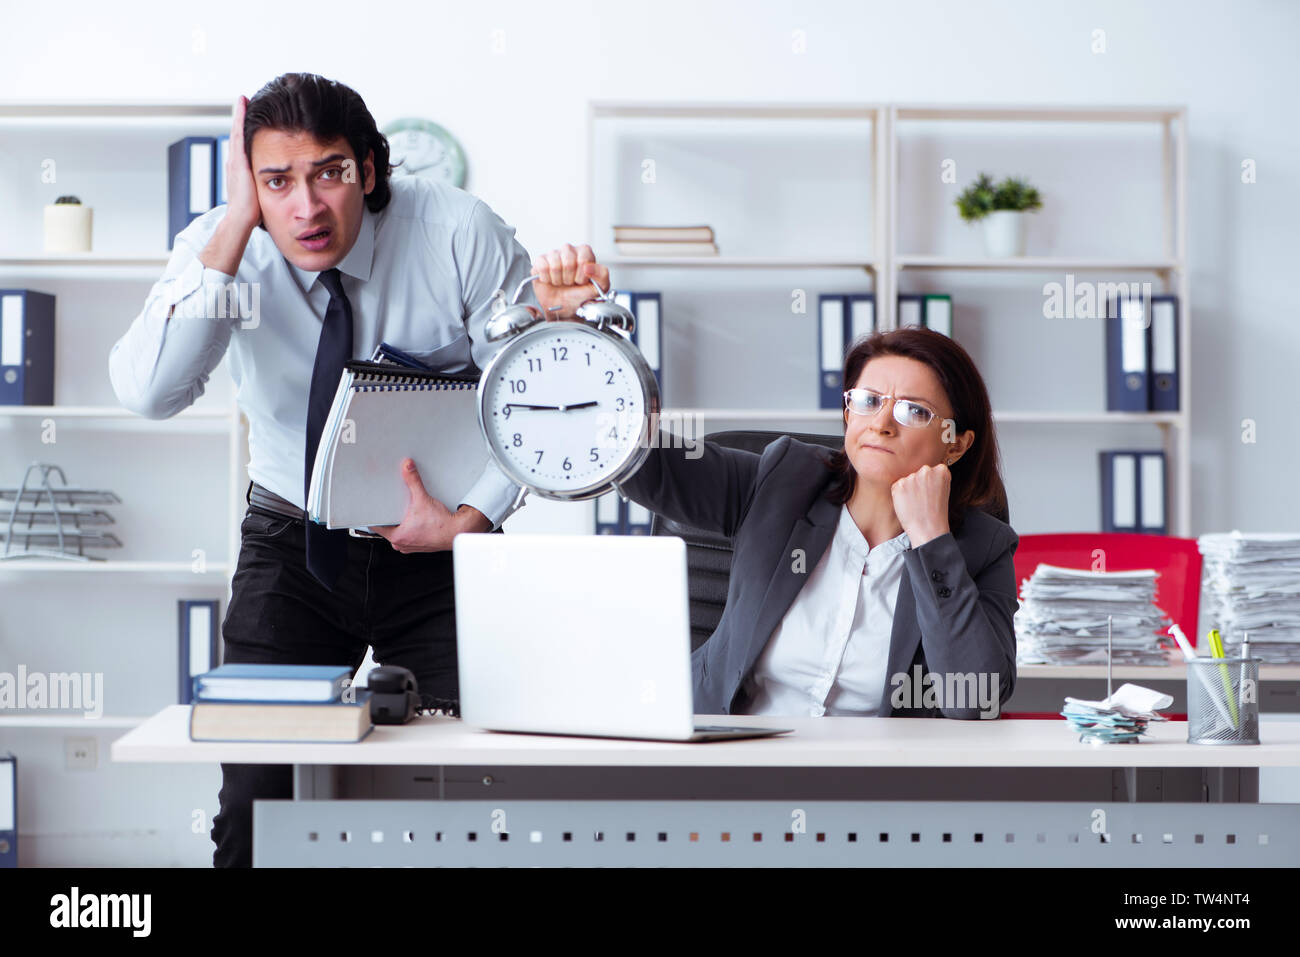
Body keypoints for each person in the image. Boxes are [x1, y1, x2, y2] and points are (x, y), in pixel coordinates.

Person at [108, 73, 607, 867]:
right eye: (277, 181)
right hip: (292, 548)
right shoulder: (224, 244)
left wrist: (471, 517)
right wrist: (238, 224)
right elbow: (148, 391)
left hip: (445, 548)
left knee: (481, 793)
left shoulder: (455, 232)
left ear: (369, 171)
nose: (306, 206)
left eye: (328, 173)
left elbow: (531, 395)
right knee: (253, 802)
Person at [618, 327, 1019, 718]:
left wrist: (932, 540)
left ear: (957, 443)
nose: (881, 423)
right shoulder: (781, 481)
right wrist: (580, 329)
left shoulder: (982, 547)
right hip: (727, 754)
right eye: (868, 400)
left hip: (869, 776)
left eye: (913, 410)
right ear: (848, 412)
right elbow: (639, 459)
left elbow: (972, 700)